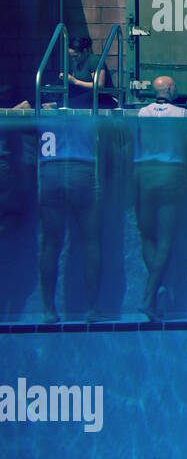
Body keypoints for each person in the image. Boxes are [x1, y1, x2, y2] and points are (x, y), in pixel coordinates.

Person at [36, 107, 104, 322]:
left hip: (49, 170)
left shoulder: (42, 112)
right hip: (82, 168)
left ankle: (48, 310)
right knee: (91, 242)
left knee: (50, 243)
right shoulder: (92, 111)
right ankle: (91, 309)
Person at [132, 76, 187, 320]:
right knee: (166, 239)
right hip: (170, 174)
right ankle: (149, 295)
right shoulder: (182, 114)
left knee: (147, 236)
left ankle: (158, 287)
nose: (176, 89)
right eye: (175, 86)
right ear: (168, 89)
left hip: (145, 175)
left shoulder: (141, 114)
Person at [60, 34, 115, 108]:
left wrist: (75, 81)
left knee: (91, 95)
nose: (73, 59)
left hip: (104, 97)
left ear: (85, 51)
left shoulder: (93, 60)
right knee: (66, 89)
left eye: (75, 56)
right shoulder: (76, 63)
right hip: (86, 95)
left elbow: (99, 86)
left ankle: (59, 104)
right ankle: (57, 103)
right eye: (71, 57)